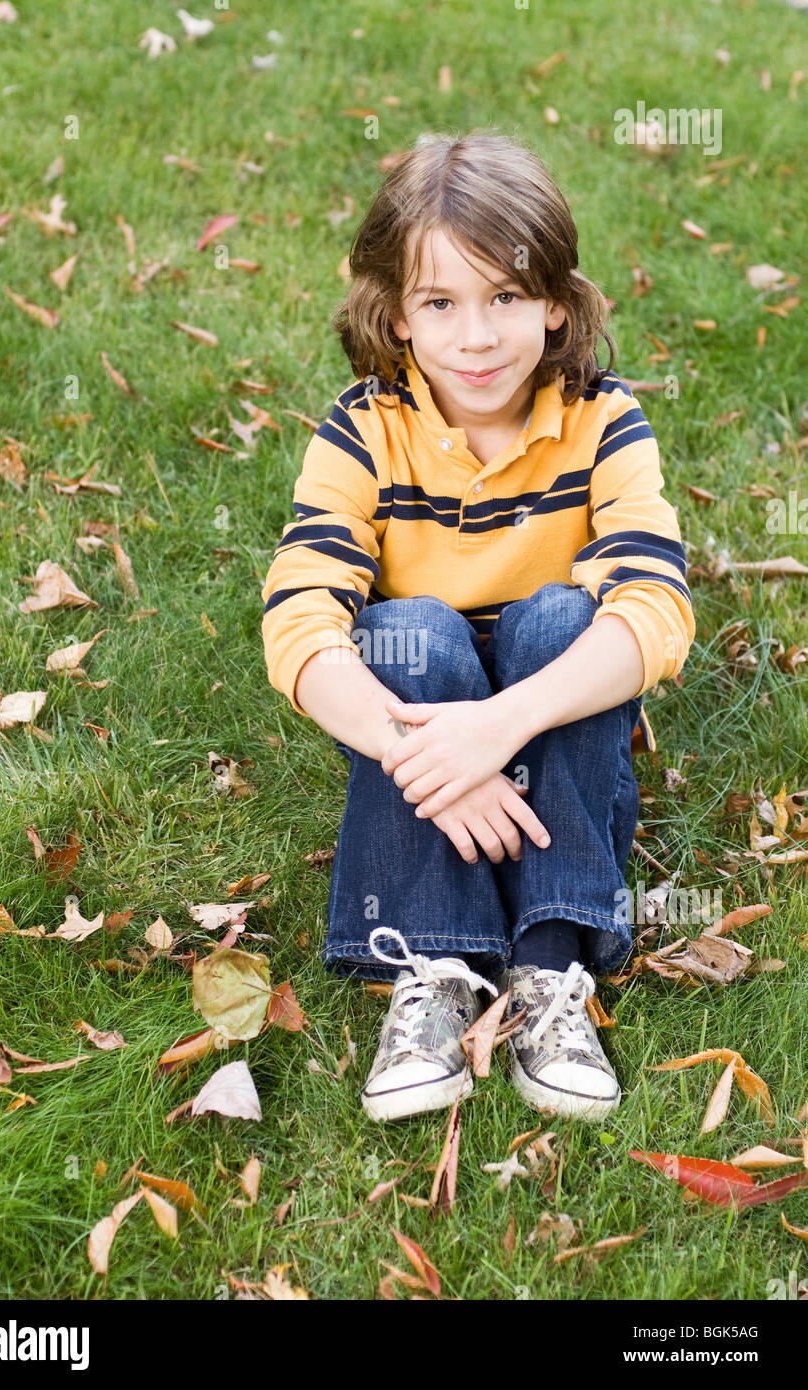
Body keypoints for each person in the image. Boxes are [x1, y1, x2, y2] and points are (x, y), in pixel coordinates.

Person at [260, 130, 695, 1125]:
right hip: (423, 708)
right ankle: (436, 960)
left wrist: (497, 731)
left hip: (551, 714)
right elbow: (299, 617)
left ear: (555, 303)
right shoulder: (365, 427)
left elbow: (659, 608)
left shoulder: (603, 419)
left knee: (563, 618)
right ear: (397, 317)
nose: (478, 337)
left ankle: (550, 962)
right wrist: (419, 748)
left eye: (506, 296)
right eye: (441, 303)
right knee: (405, 628)